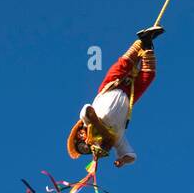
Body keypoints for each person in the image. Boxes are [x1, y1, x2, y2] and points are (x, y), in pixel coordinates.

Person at [66, 26, 164, 168]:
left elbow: (88, 110)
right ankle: (147, 42)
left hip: (111, 87)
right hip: (129, 96)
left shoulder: (87, 121)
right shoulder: (116, 139)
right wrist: (122, 160)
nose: (85, 142)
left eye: (80, 139)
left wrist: (103, 132)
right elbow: (131, 156)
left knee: (124, 64)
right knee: (148, 76)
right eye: (85, 149)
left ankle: (141, 41)